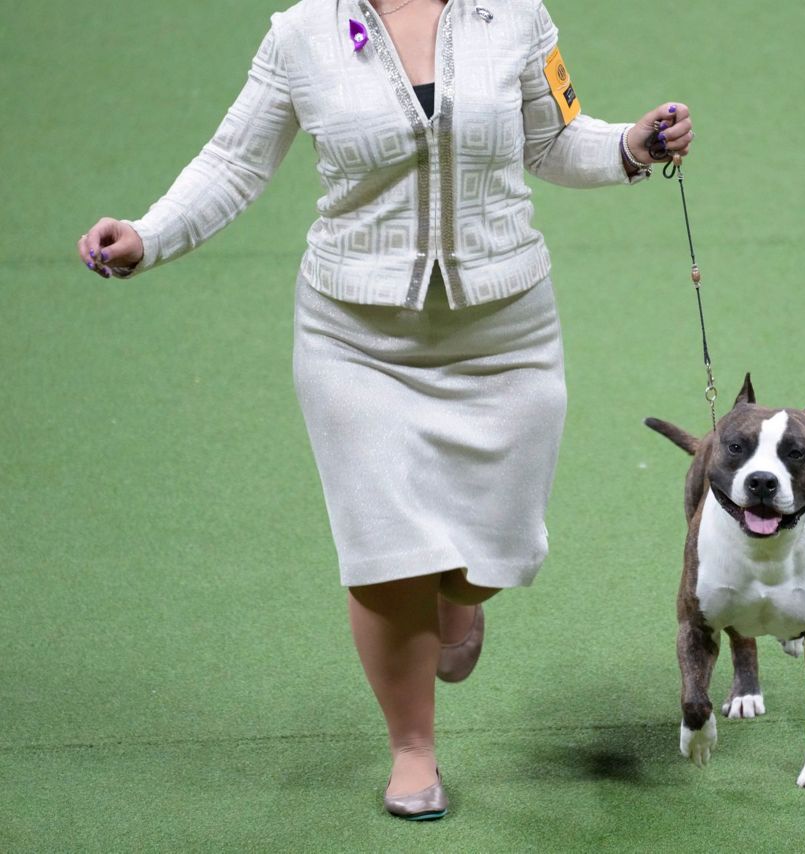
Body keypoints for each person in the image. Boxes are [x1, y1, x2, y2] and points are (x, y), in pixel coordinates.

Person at [75, 0, 692, 821]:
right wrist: (148, 236)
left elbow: (552, 138)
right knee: (384, 552)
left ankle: (459, 593)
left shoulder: (511, 16)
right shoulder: (303, 33)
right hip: (354, 334)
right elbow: (234, 163)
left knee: (496, 551)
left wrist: (627, 146)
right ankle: (413, 751)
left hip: (504, 334)